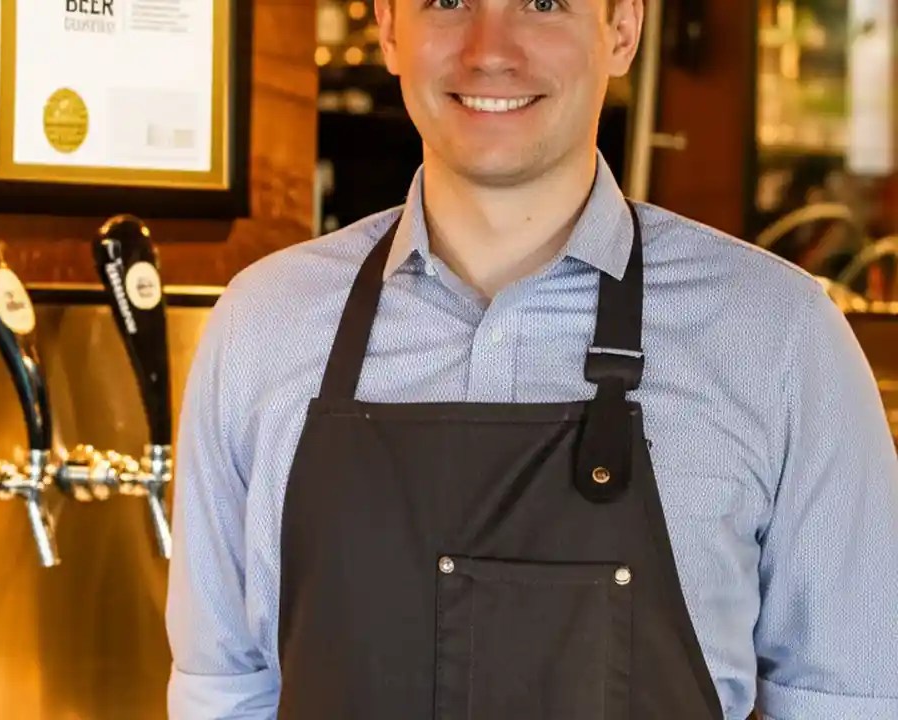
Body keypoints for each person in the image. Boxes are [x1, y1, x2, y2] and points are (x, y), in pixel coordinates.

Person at [164, 0, 898, 718]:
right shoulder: (262, 329)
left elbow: (856, 700)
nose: (490, 48)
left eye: (543, 3)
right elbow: (221, 693)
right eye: (448, 1)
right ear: (389, 27)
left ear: (621, 29)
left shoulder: (781, 339)